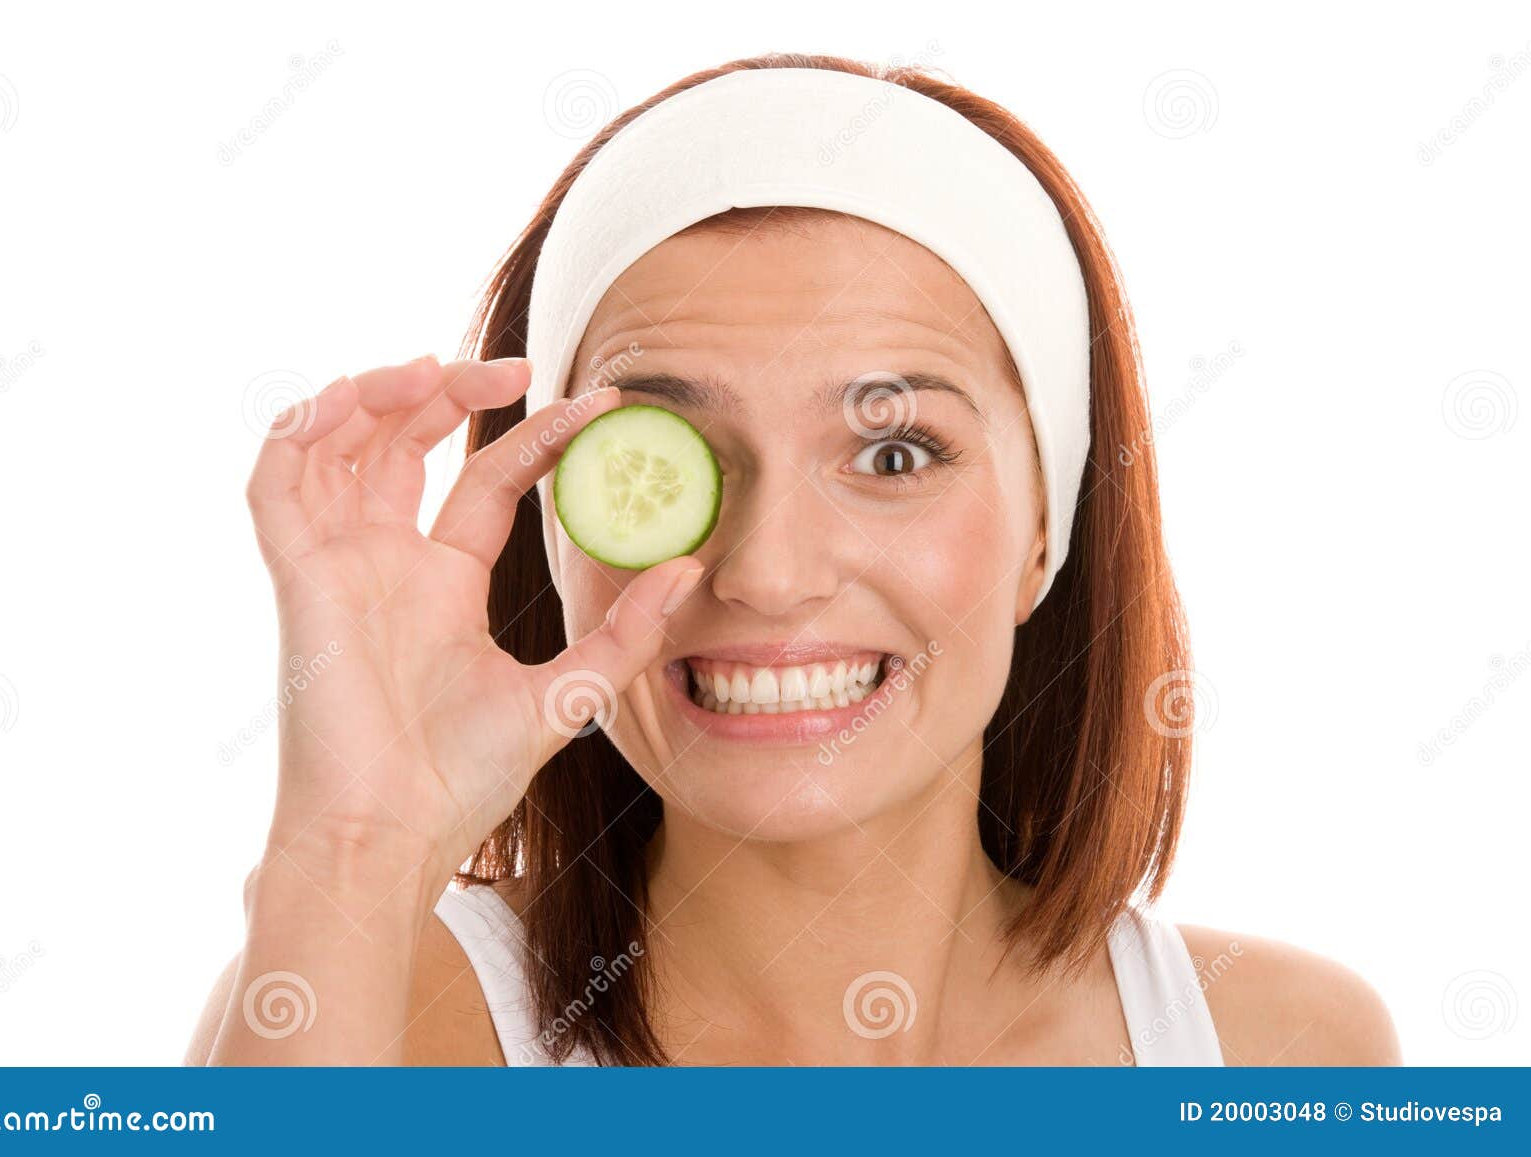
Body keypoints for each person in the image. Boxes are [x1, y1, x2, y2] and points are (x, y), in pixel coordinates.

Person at [188, 53, 1400, 1067]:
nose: (766, 573)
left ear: (1048, 526)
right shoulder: (367, 1013)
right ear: (552, 529)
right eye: (666, 461)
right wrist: (350, 841)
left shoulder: (1283, 1048)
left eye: (892, 452)